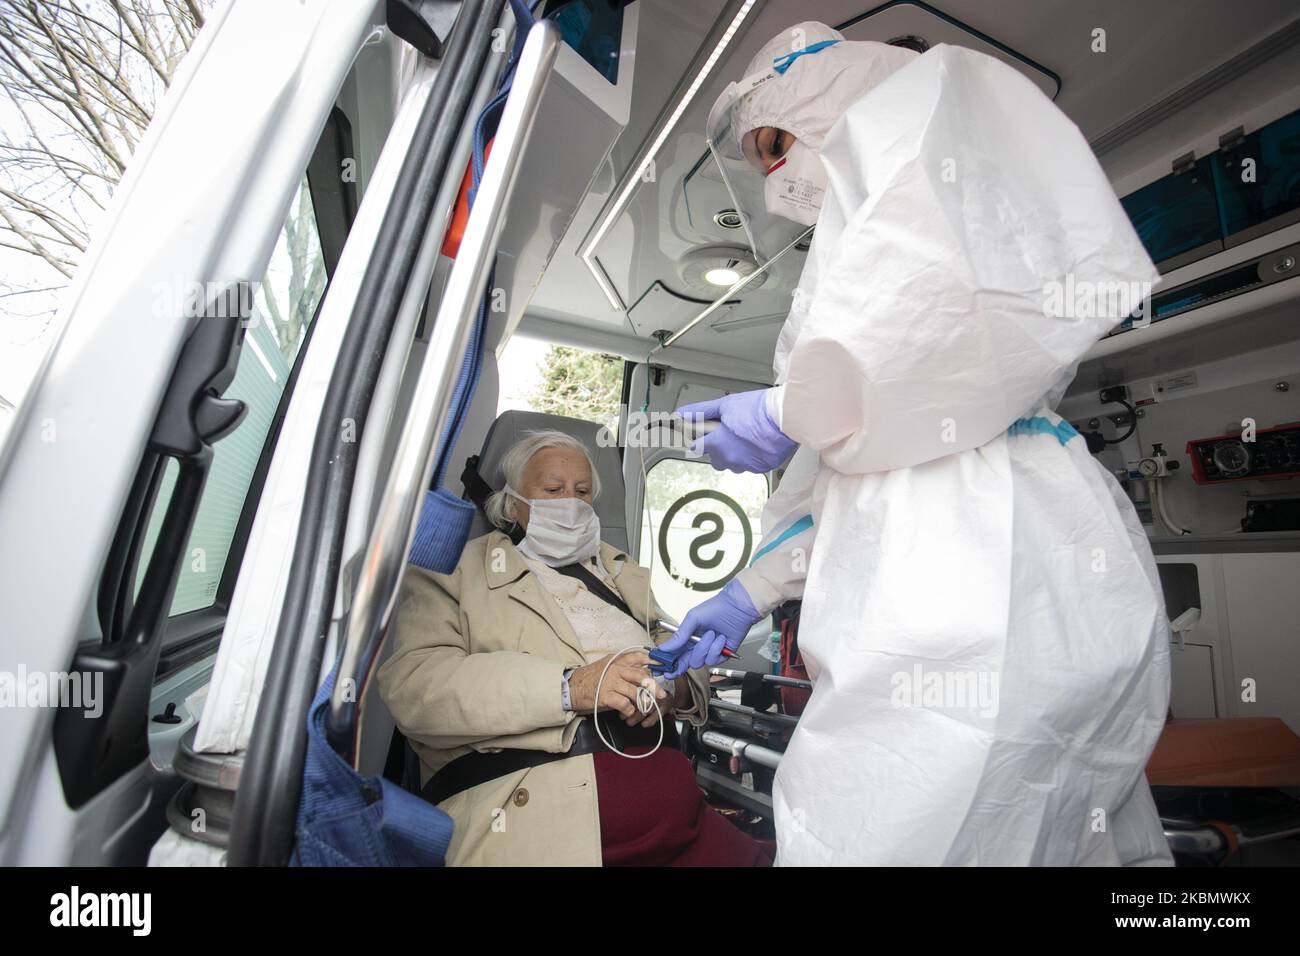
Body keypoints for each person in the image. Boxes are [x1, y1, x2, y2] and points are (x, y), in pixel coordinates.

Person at [657, 22, 1173, 865]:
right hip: (990, 578)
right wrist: (749, 589)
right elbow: (852, 475)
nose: (774, 180)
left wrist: (791, 412)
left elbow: (934, 341)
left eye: (775, 146)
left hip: (983, 587)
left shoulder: (935, 135)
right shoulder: (856, 255)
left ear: (831, 104)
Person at [379, 430, 772, 866]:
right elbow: (417, 689)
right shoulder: (454, 571)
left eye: (581, 491)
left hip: (681, 822)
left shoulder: (620, 573)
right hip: (533, 824)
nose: (570, 501)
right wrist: (572, 687)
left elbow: (675, 647)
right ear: (511, 503)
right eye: (552, 490)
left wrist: (670, 687)